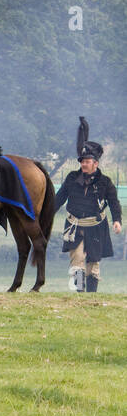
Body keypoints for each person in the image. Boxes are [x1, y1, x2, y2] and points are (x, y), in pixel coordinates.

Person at [54, 119, 121, 293]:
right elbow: (59, 198)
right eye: (82, 161)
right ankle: (80, 294)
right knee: (76, 260)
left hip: (96, 227)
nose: (83, 164)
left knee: (93, 262)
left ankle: (91, 297)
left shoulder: (105, 182)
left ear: (95, 163)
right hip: (74, 225)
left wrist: (117, 220)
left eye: (87, 161)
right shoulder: (71, 178)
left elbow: (114, 202)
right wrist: (47, 214)